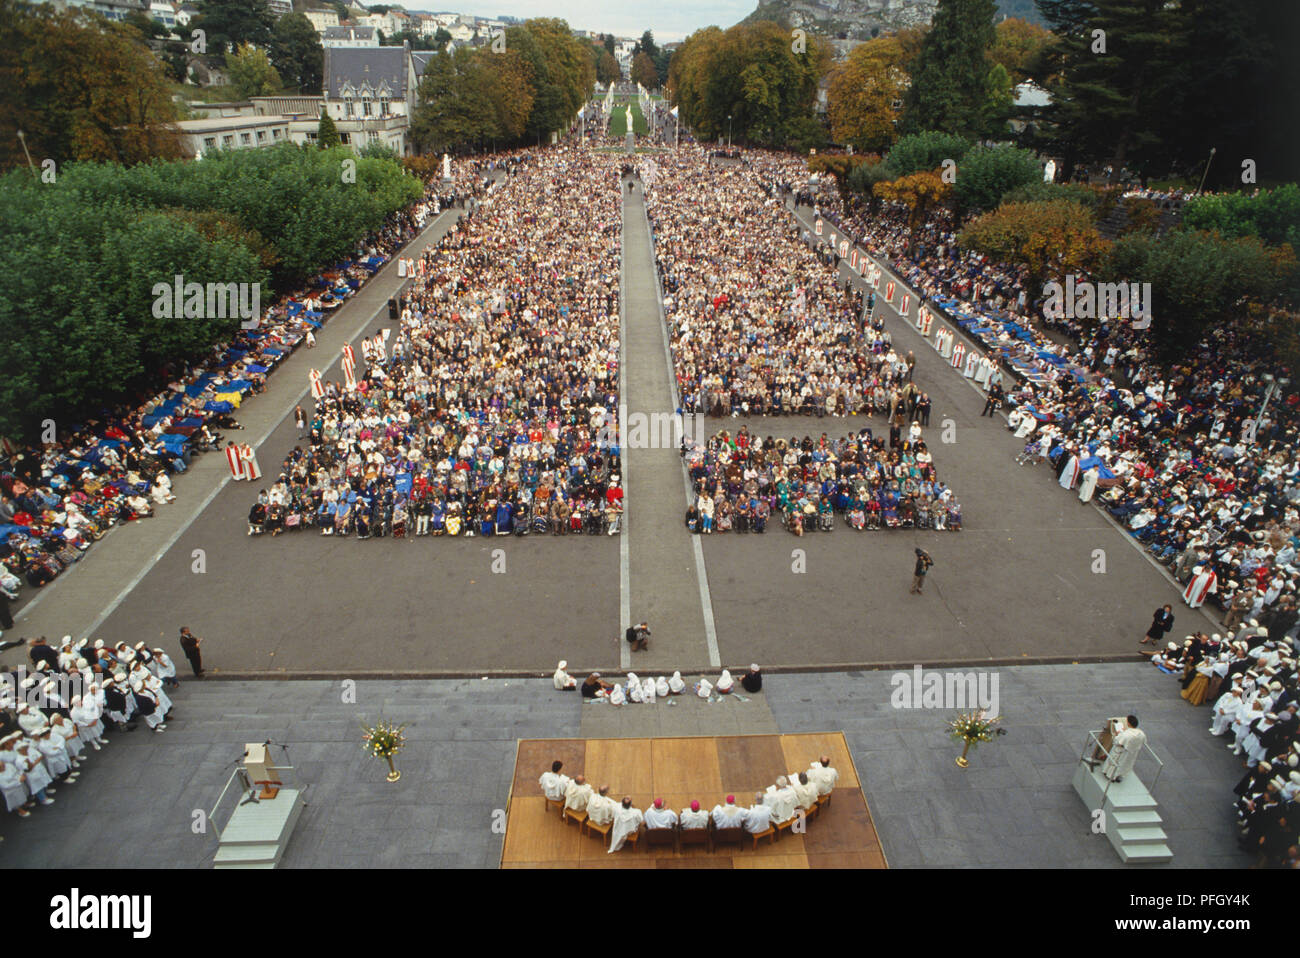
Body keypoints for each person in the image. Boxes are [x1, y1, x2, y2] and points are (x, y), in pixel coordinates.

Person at [1101, 715, 1147, 783]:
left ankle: (1110, 776)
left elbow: (1116, 741)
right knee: (1126, 765)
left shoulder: (1126, 734)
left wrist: (1117, 734)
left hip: (1121, 752)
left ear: (1128, 723)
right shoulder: (1141, 734)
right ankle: (1119, 776)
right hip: (1132, 753)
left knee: (1115, 764)